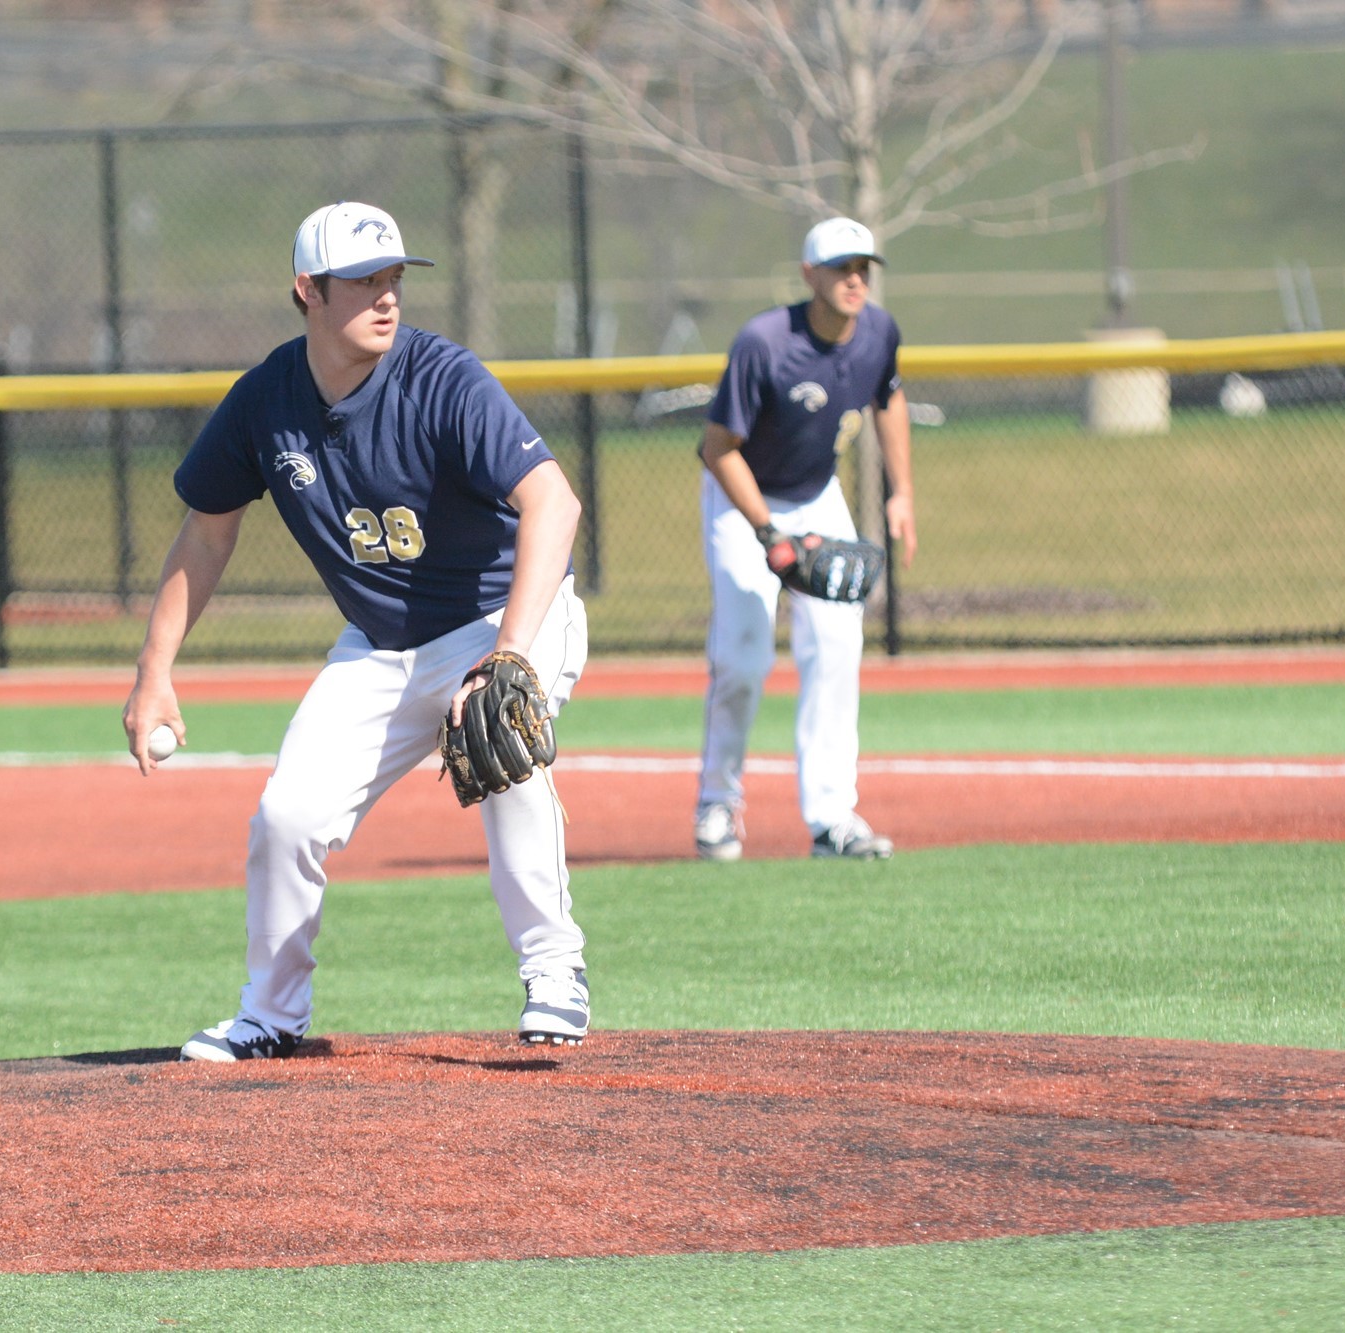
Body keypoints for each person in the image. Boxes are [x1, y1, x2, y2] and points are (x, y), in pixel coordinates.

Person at [124, 201, 592, 1061]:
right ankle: (270, 1013)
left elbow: (553, 503)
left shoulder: (442, 378)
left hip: (505, 611)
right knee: (287, 818)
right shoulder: (267, 401)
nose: (387, 297)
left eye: (394, 279)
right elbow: (207, 528)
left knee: (505, 742)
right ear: (307, 290)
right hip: (380, 644)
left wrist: (510, 655)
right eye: (363, 281)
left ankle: (555, 971)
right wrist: (155, 670)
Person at [693, 216, 916, 862]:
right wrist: (768, 534)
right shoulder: (764, 343)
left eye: (863, 268)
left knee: (838, 646)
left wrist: (901, 490)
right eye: (841, 268)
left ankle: (831, 817)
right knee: (743, 656)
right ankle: (716, 800)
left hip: (817, 495)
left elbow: (889, 397)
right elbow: (717, 449)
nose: (855, 279)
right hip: (745, 498)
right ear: (808, 275)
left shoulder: (878, 331)